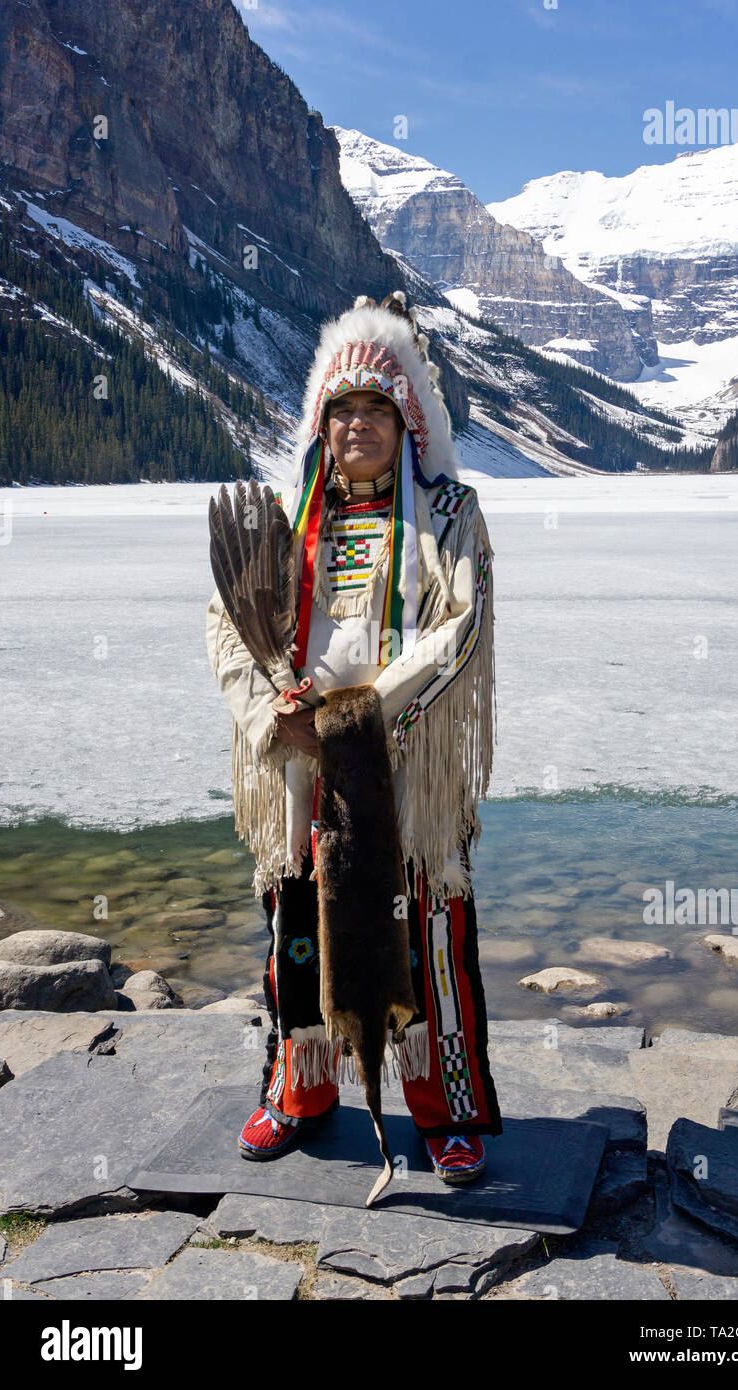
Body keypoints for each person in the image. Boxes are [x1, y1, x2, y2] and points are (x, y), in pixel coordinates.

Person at [206, 291, 501, 1184]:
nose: (359, 426)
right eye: (343, 412)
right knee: (297, 927)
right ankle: (299, 1092)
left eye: (377, 409)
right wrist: (275, 714)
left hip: (402, 769)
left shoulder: (449, 514)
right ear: (321, 429)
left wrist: (361, 713)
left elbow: (460, 626)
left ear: (406, 422)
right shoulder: (286, 530)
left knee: (426, 934)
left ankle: (442, 1109)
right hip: (301, 769)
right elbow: (229, 627)